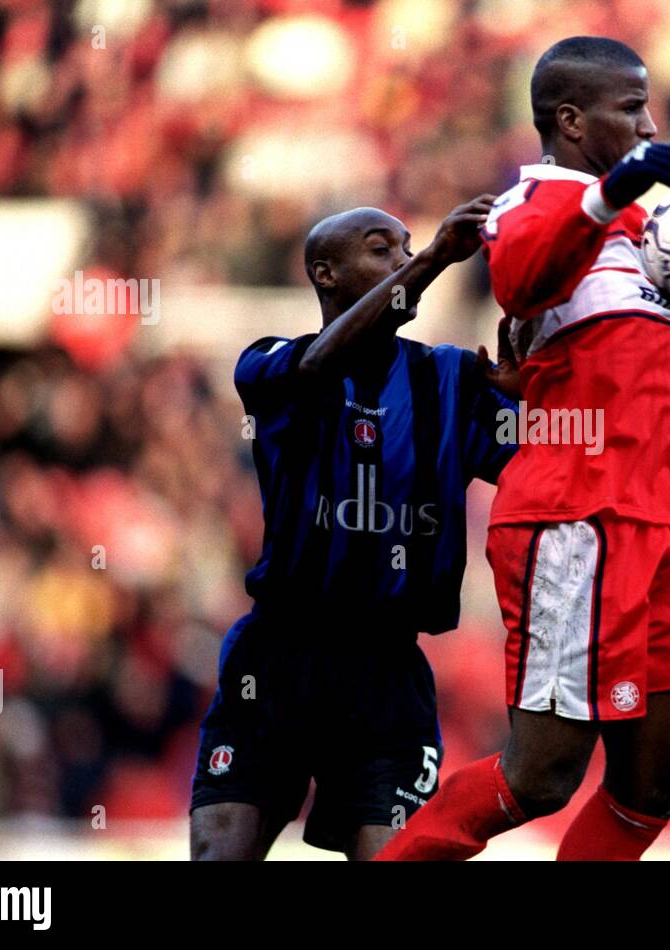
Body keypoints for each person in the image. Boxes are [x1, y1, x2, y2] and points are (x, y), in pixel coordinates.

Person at [376, 36, 670, 861]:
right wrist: (613, 192)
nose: (648, 123)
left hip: (656, 526)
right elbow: (520, 277)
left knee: (655, 784)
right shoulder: (532, 206)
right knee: (541, 776)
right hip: (578, 523)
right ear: (570, 119)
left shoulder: (644, 228)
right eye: (630, 109)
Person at [190, 196, 520, 860]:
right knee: (219, 855)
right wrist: (431, 263)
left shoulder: (450, 380)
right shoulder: (271, 365)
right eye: (381, 249)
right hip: (279, 657)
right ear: (325, 272)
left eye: (406, 246)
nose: (401, 258)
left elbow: (537, 468)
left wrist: (536, 389)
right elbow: (321, 367)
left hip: (386, 672)